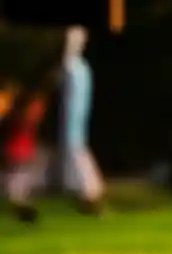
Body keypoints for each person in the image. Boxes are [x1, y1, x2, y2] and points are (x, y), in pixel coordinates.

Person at [57, 26, 105, 213]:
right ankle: (82, 190)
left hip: (74, 116)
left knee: (76, 149)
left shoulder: (74, 68)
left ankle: (89, 191)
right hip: (74, 116)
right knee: (74, 149)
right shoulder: (78, 68)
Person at [1, 89, 47, 223]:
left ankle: (23, 208)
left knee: (16, 187)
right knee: (14, 186)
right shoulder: (18, 118)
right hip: (16, 154)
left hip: (20, 155)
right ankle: (23, 209)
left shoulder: (21, 119)